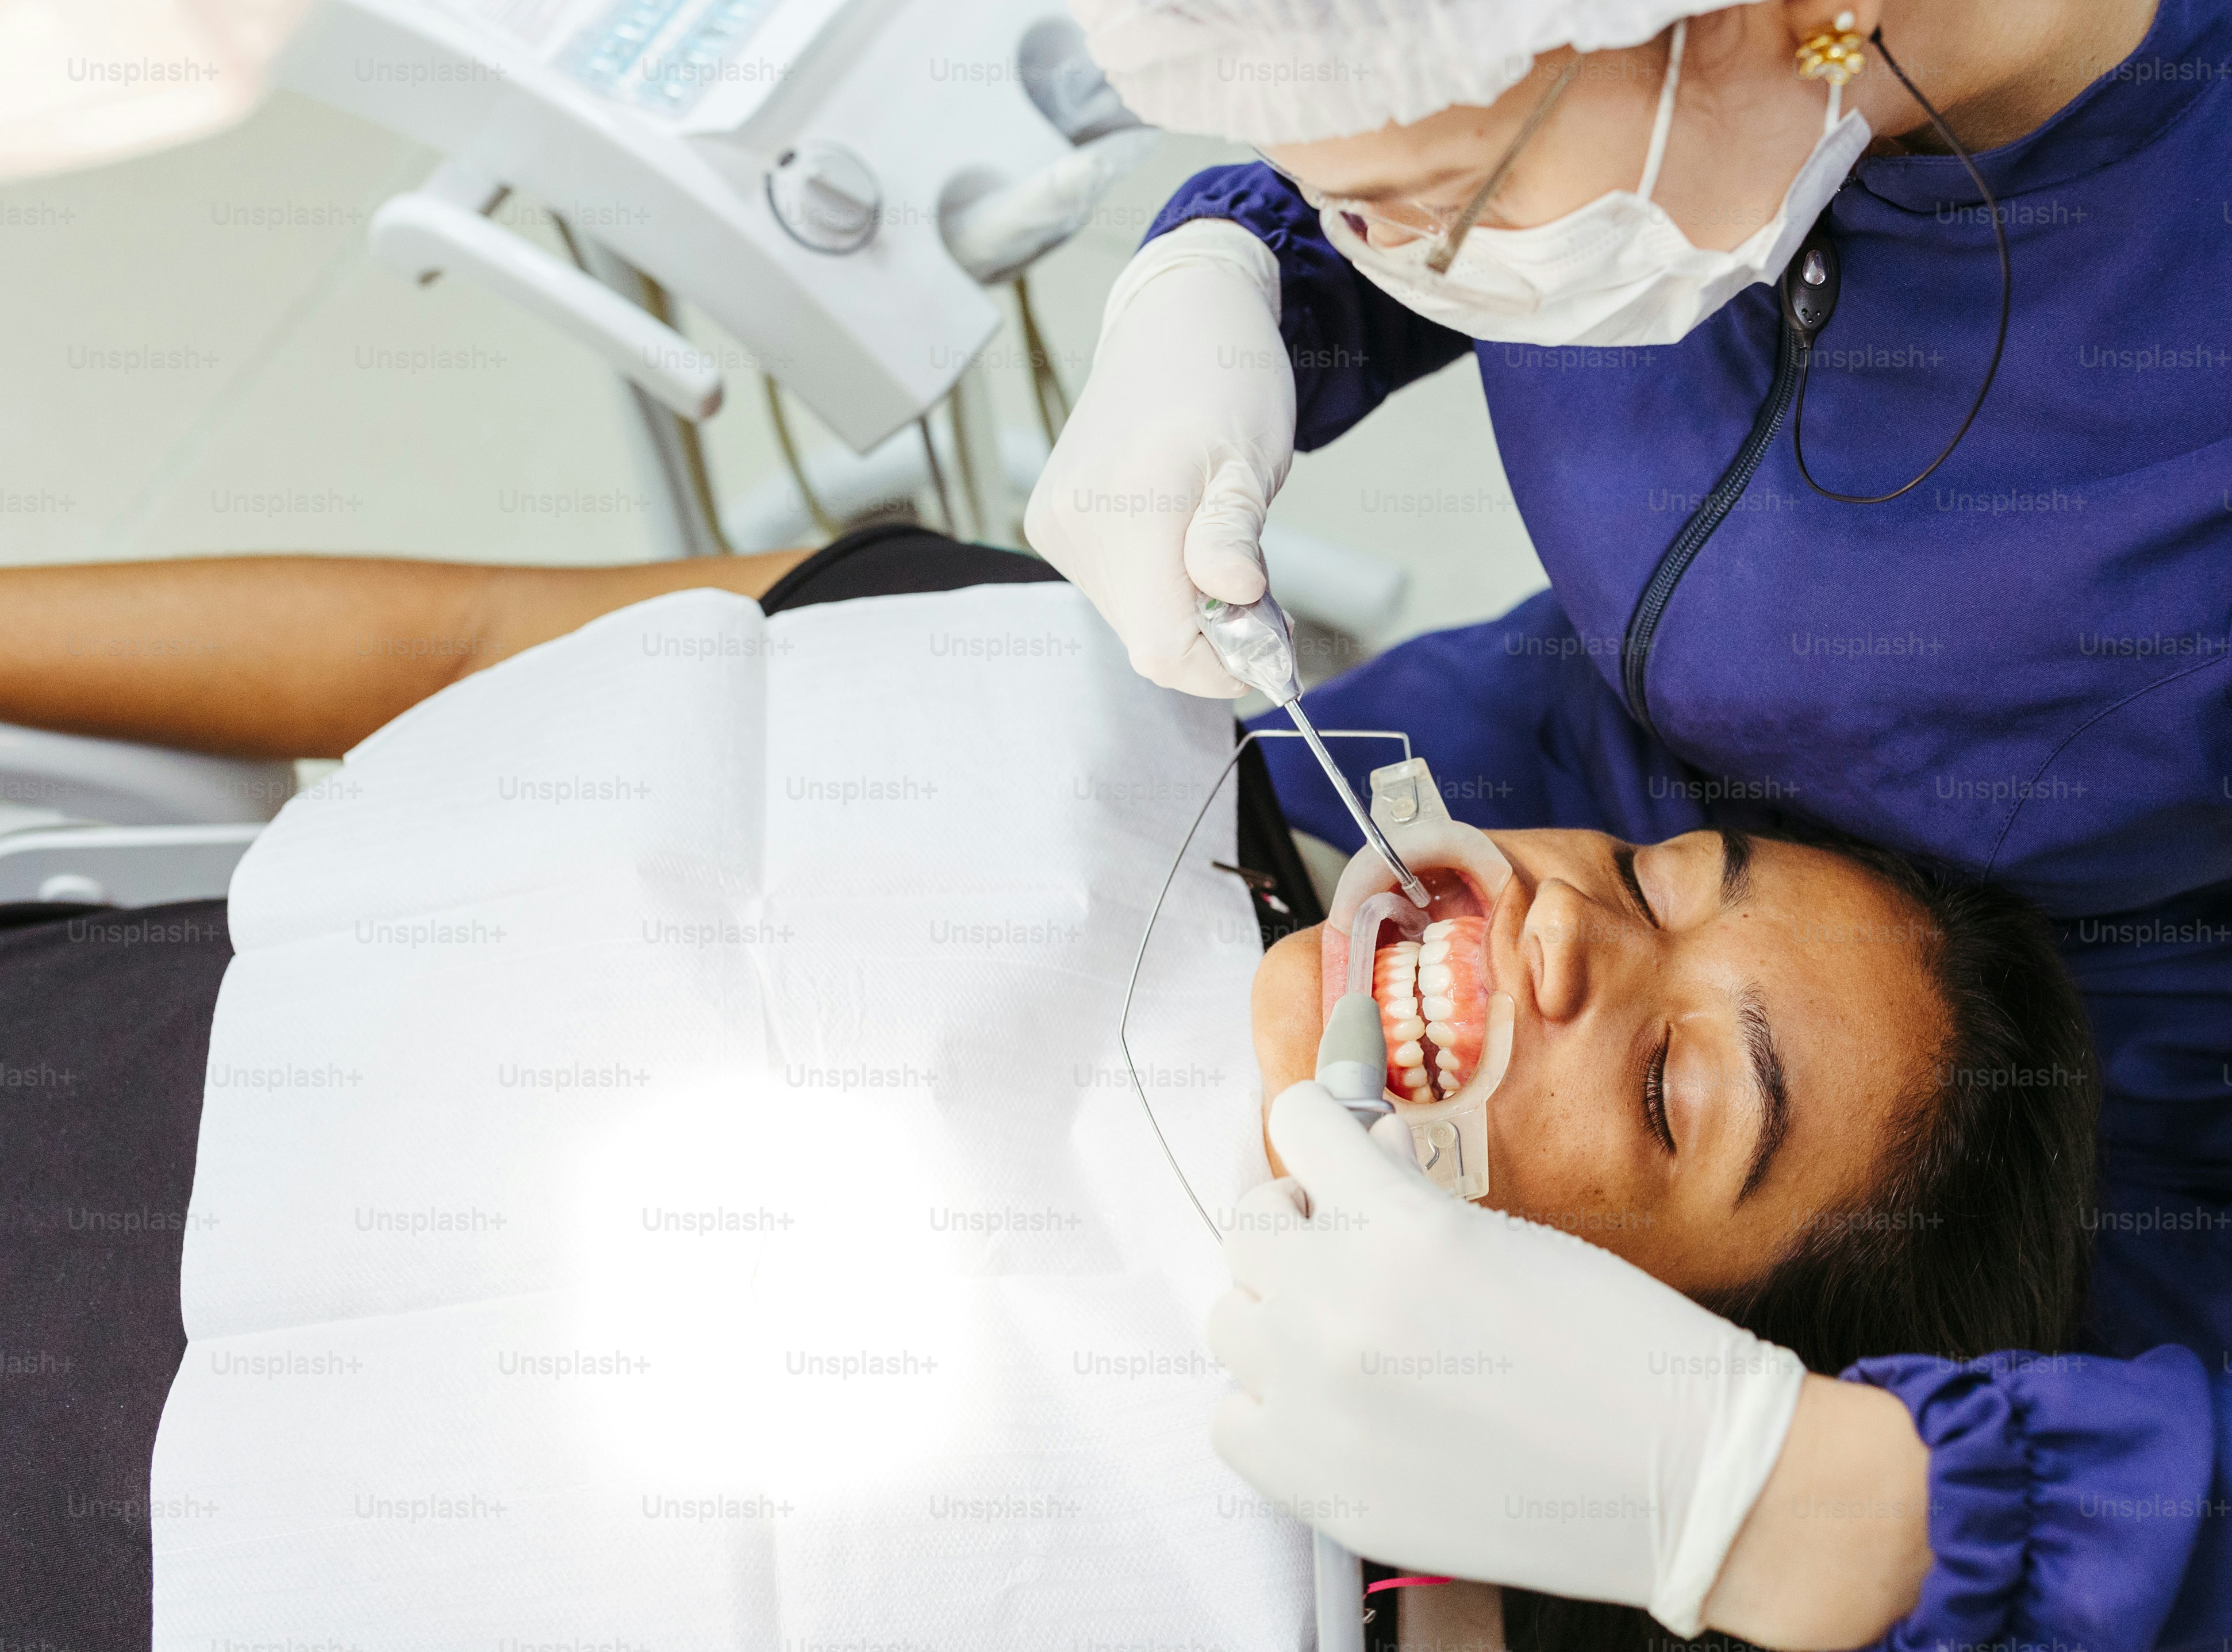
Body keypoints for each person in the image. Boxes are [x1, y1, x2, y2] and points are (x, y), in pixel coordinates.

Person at [988, 0, 2232, 1648]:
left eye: (1424, 203)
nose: (1388, 246)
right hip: (1608, 790)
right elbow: (1464, 38)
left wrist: (1807, 1501)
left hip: (1984, 1141)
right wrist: (1244, 272)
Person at [0, 529, 2096, 1651]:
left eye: (1668, 1096)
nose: (1565, 934)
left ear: (1649, 1362)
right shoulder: (1036, 688)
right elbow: (474, 636)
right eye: (1651, 875)